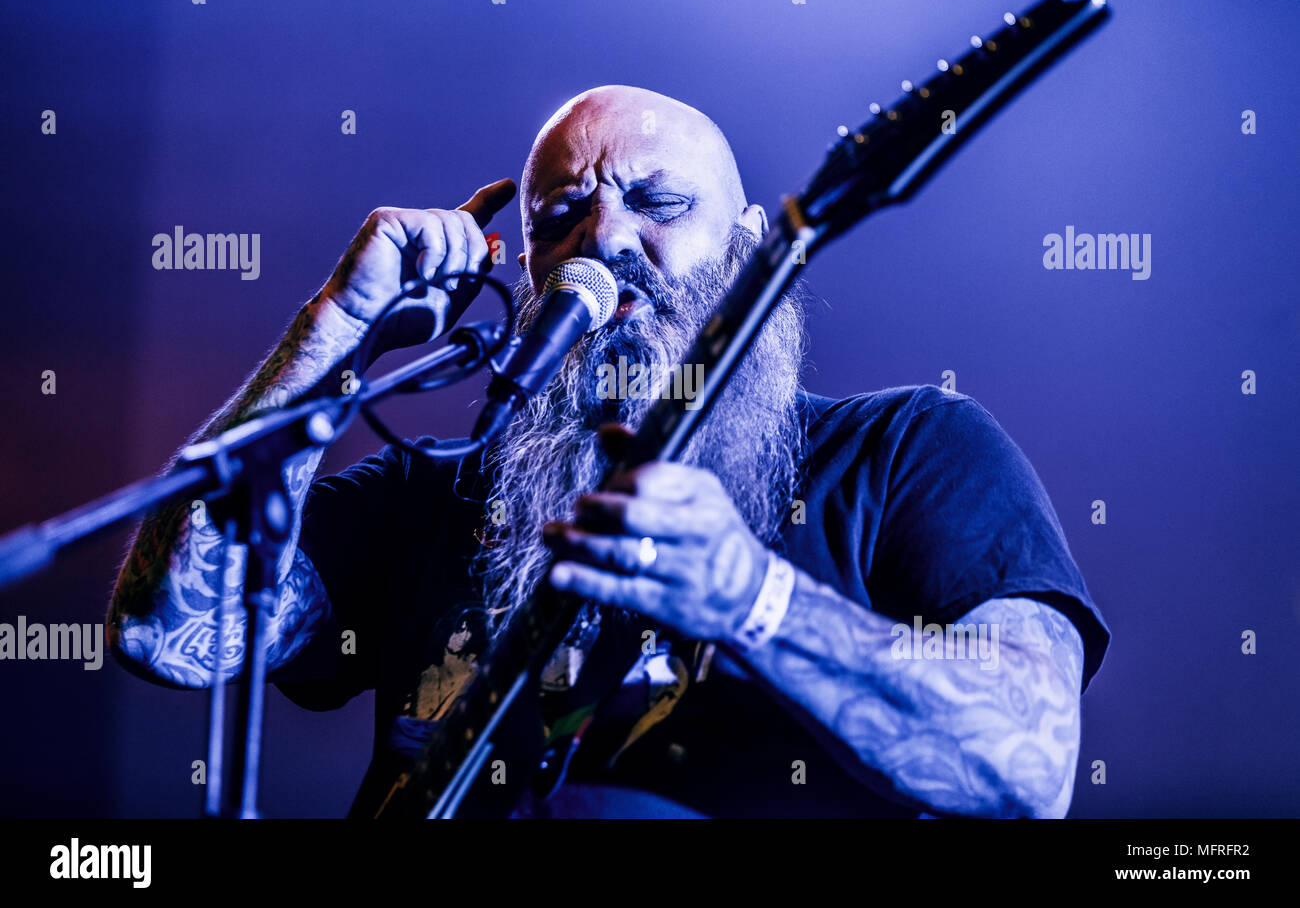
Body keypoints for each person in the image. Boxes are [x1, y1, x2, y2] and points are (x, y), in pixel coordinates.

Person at [108, 85, 1109, 818]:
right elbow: (168, 632)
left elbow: (1028, 762)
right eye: (561, 218)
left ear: (754, 246)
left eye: (658, 204)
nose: (607, 239)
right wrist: (338, 325)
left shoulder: (906, 450)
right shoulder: (437, 491)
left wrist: (753, 601)